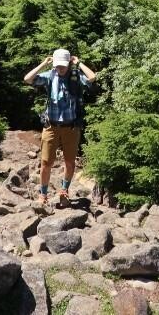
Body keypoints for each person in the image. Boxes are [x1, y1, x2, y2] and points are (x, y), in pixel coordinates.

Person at [23, 48, 97, 205]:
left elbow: (92, 77)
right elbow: (27, 79)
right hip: (51, 126)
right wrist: (44, 63)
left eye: (63, 65)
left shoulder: (76, 77)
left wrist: (79, 63)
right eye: (58, 65)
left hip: (71, 127)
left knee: (70, 162)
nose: (60, 68)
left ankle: (64, 190)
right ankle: (43, 194)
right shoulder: (50, 75)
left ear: (69, 63)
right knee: (46, 162)